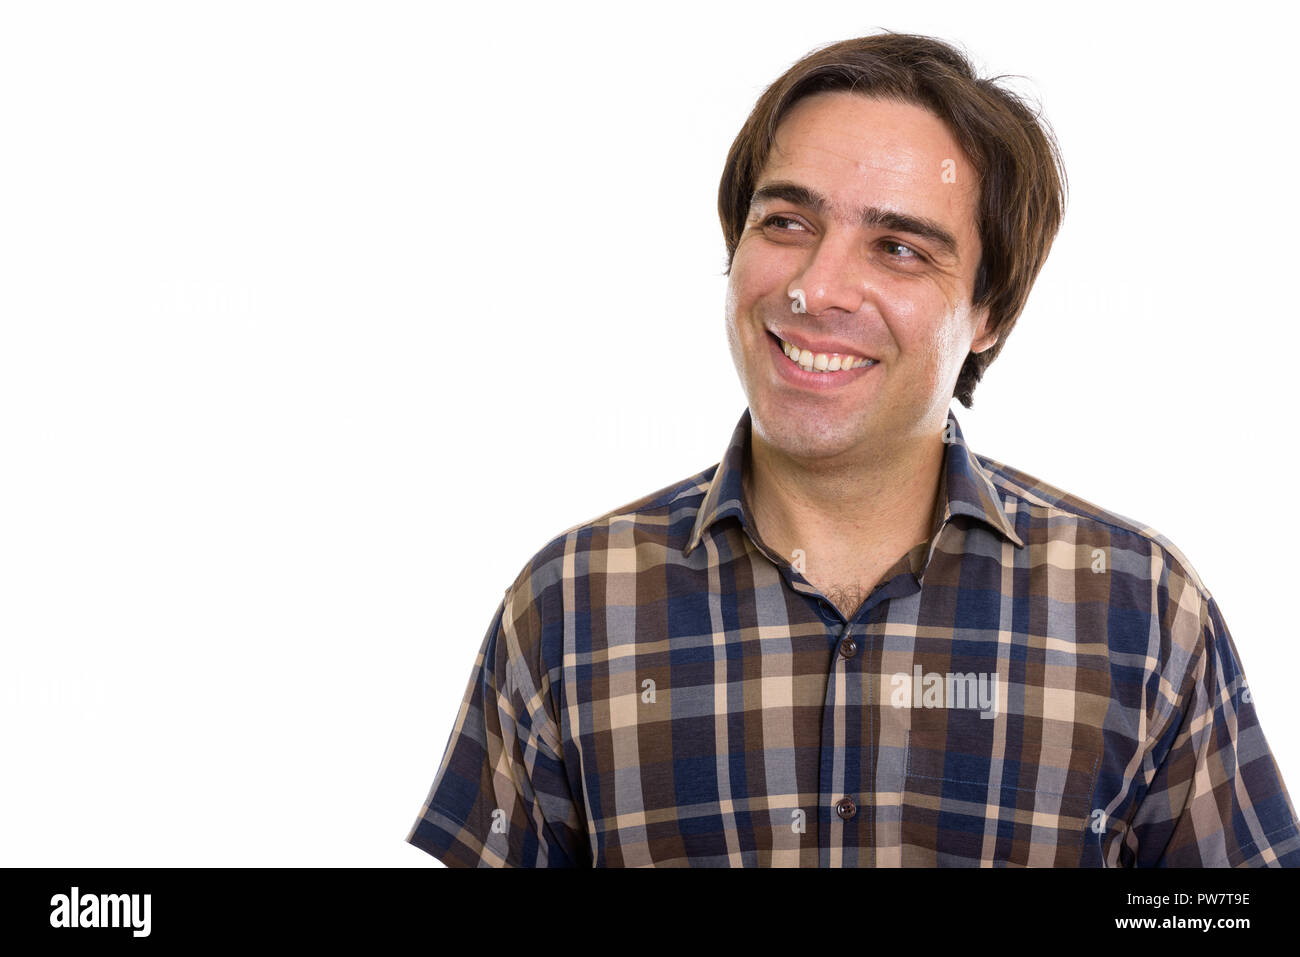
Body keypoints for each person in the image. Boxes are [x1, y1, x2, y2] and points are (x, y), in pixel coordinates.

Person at [405, 31, 1299, 867]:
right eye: (787, 222)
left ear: (987, 313)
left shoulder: (1142, 612)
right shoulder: (567, 609)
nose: (816, 287)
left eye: (899, 247)